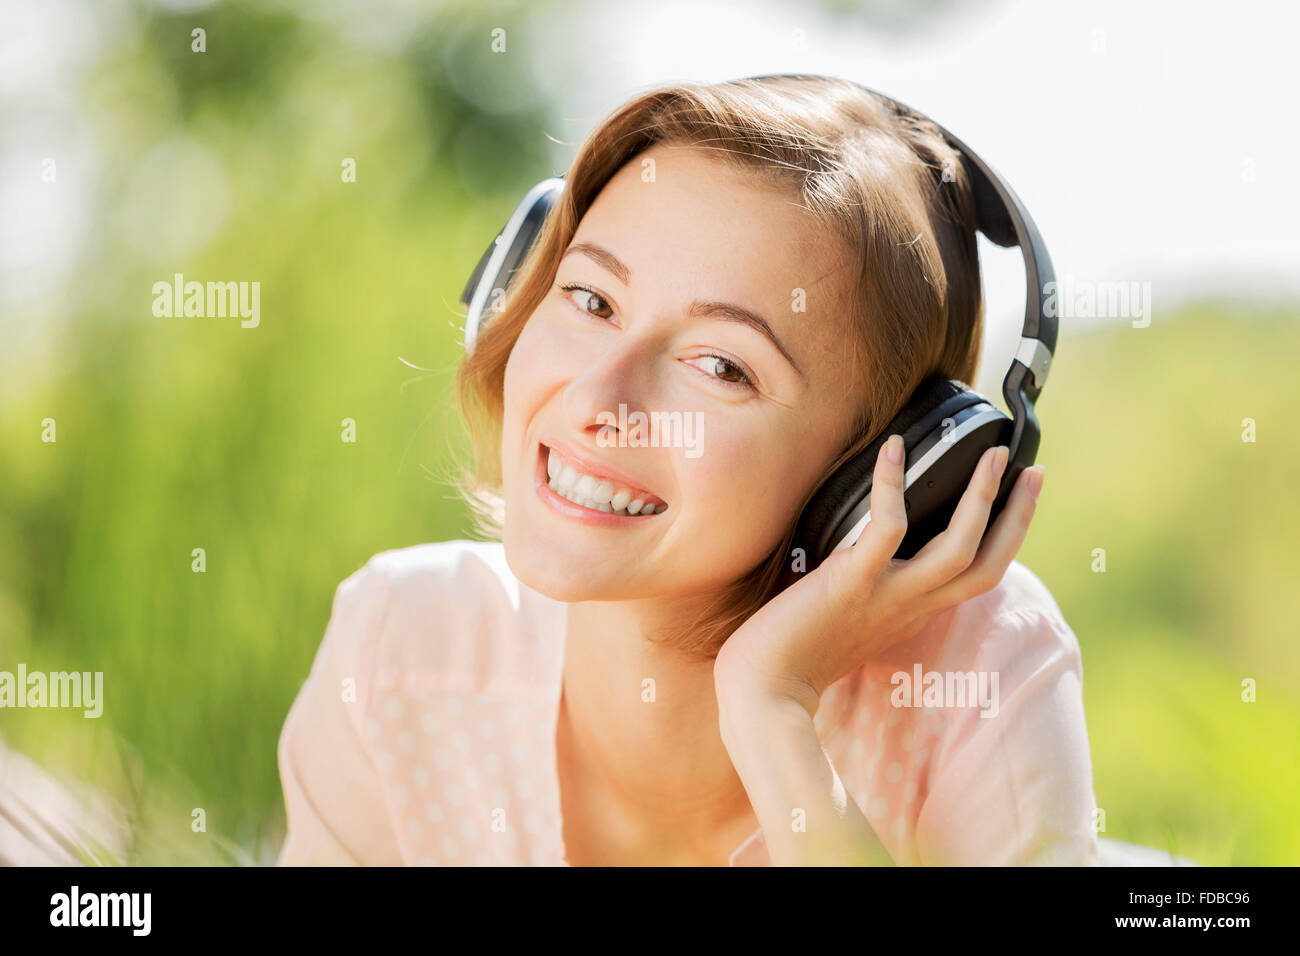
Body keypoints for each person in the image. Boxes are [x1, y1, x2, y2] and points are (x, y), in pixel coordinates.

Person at [276, 76, 1098, 866]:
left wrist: (771, 709)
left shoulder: (978, 675)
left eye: (721, 366)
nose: (600, 397)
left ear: (894, 474)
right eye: (592, 300)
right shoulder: (402, 650)